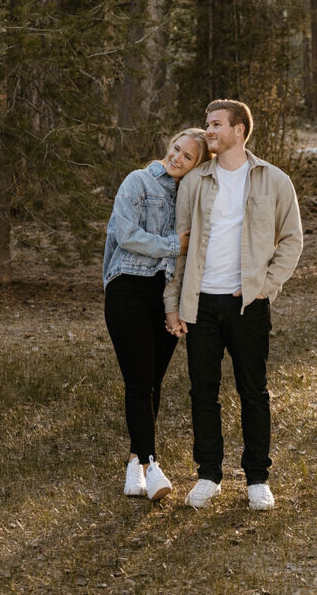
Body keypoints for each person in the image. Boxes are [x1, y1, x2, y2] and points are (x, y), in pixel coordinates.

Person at [164, 98, 303, 511]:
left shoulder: (274, 180)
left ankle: (258, 478)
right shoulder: (193, 183)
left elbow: (293, 239)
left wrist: (267, 286)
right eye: (207, 124)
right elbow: (180, 249)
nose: (209, 131)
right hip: (200, 304)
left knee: (253, 391)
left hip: (248, 306)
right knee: (202, 392)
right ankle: (208, 474)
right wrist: (173, 304)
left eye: (216, 124)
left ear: (239, 130)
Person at [103, 127, 209, 501]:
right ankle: (151, 463)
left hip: (162, 295)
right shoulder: (138, 181)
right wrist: (171, 246)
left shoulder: (190, 197)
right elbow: (125, 233)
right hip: (128, 287)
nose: (176, 158)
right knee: (138, 381)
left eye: (188, 157)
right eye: (176, 149)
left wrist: (175, 305)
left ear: (198, 165)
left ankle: (136, 465)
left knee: (152, 381)